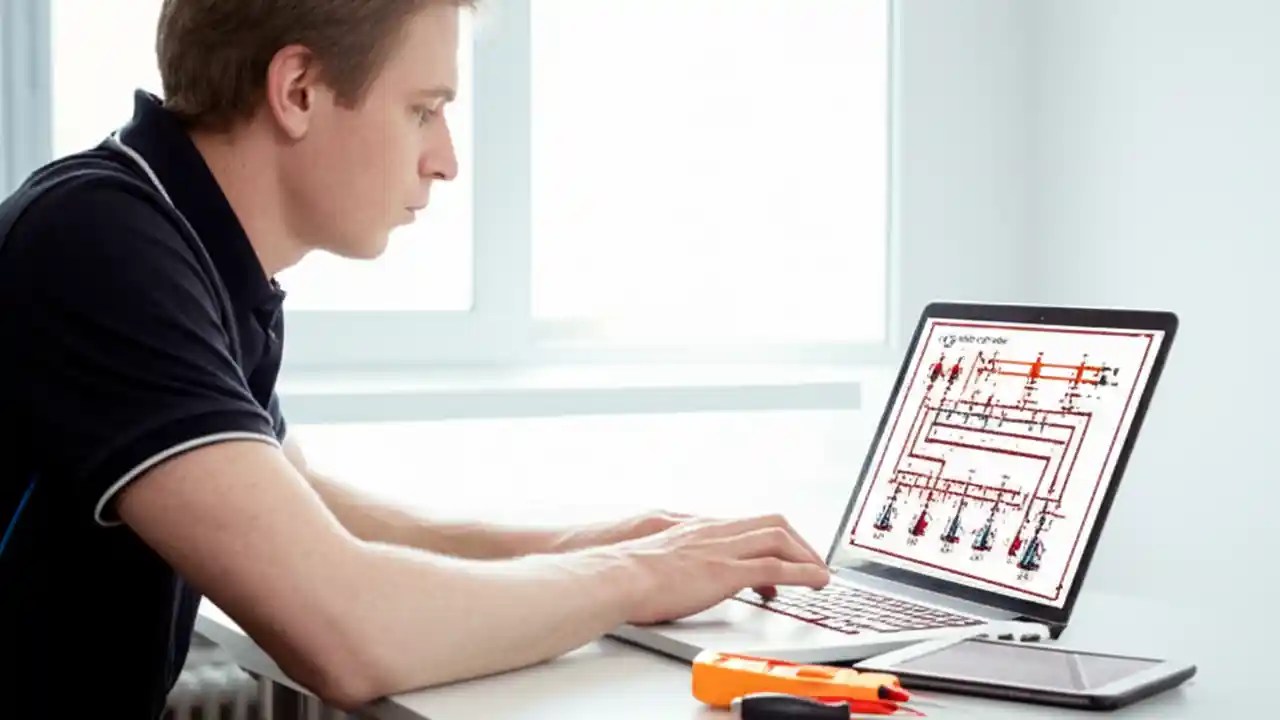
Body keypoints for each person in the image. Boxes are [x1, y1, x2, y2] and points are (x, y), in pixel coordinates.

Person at [0, 1, 830, 716]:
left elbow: (307, 513)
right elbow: (345, 631)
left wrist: (584, 544)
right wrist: (634, 576)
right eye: (423, 109)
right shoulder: (101, 245)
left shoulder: (183, 244)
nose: (447, 159)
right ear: (298, 91)